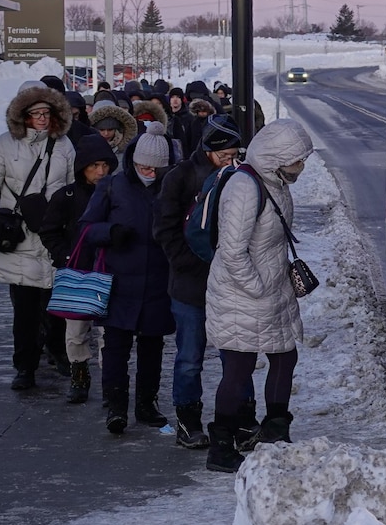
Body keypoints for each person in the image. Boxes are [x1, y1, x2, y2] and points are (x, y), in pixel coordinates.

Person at [205, 119, 315, 473]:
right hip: (242, 294)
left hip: (272, 290)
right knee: (239, 369)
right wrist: (258, 288)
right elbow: (232, 252)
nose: (300, 167)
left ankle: (275, 431)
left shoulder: (275, 183)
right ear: (277, 158)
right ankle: (221, 447)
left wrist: (272, 286)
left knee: (285, 357)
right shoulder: (244, 187)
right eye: (296, 160)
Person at [154, 114, 258, 449]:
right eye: (223, 154)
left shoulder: (241, 176)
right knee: (189, 358)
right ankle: (188, 422)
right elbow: (165, 230)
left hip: (231, 286)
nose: (229, 160)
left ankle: (243, 421)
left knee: (237, 356)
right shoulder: (180, 177)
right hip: (191, 285)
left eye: (234, 154)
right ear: (208, 149)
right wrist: (192, 264)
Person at [0, 86, 76, 390]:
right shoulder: (5, 144)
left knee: (56, 303)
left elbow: (72, 187)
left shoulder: (63, 144)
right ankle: (25, 366)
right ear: (22, 116)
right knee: (24, 310)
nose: (42, 118)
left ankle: (58, 351)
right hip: (18, 236)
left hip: (53, 234)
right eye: (35, 113)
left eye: (46, 112)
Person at [79, 122, 176, 434]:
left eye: (156, 168)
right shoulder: (112, 186)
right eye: (143, 166)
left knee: (152, 347)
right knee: (115, 347)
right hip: (118, 282)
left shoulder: (171, 188)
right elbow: (86, 229)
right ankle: (116, 406)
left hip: (158, 282)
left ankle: (146, 404)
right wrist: (111, 232)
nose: (149, 172)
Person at [37, 134, 118, 403]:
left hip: (109, 271)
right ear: (83, 167)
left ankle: (110, 382)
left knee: (109, 332)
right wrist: (66, 255)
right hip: (78, 273)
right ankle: (79, 377)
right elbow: (49, 231)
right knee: (76, 331)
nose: (100, 171)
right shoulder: (67, 196)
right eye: (94, 165)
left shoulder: (117, 193)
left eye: (105, 165)